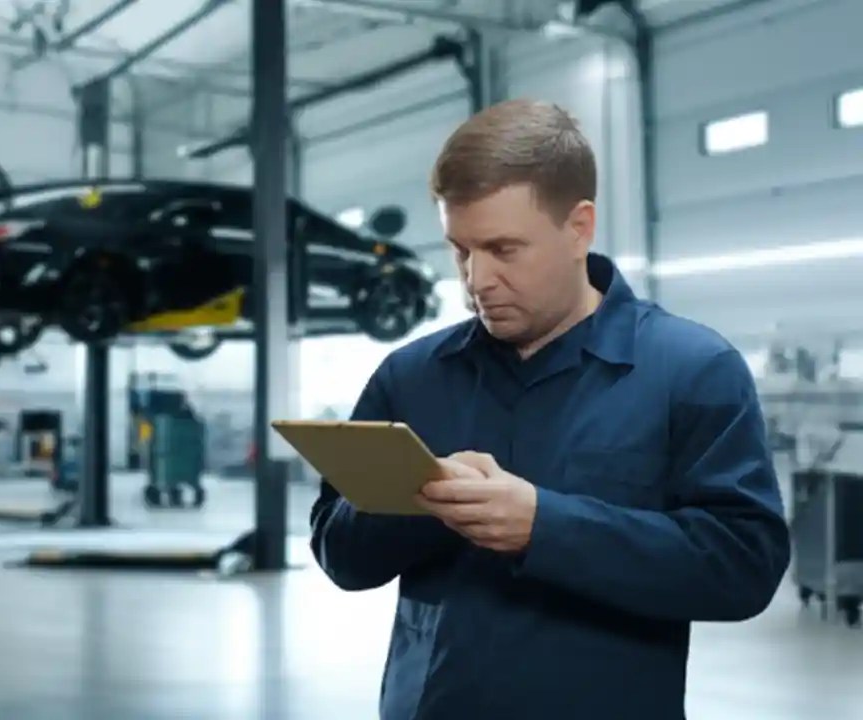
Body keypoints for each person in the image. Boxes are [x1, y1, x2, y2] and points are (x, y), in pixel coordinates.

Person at [308, 98, 790, 720]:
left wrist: (545, 526)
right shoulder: (412, 377)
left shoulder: (692, 370)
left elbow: (743, 567)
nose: (477, 279)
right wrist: (425, 499)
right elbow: (341, 556)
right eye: (461, 250)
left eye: (504, 249)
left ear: (578, 227)